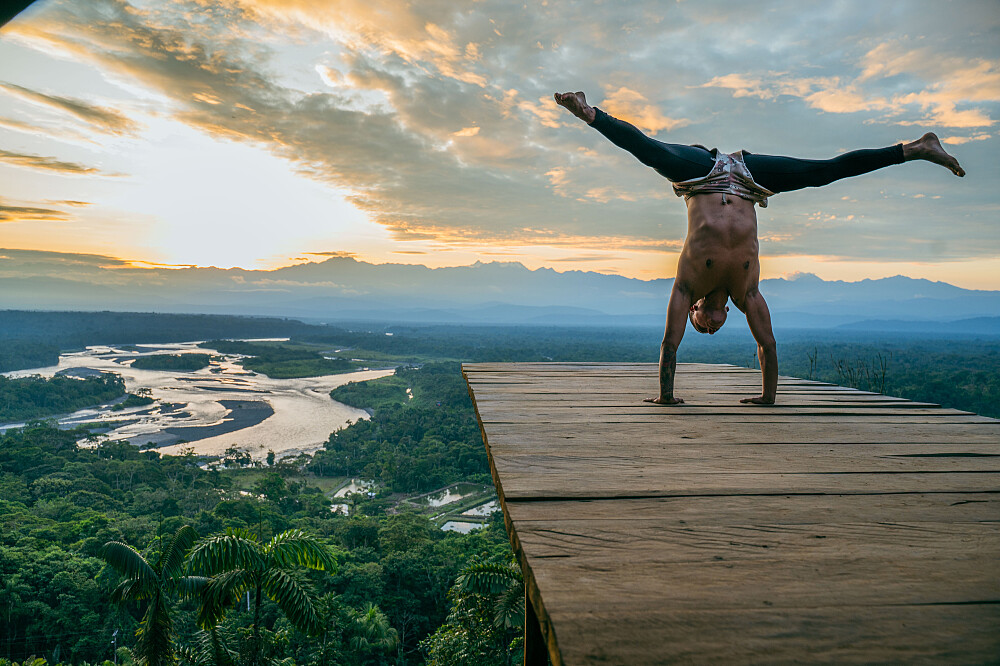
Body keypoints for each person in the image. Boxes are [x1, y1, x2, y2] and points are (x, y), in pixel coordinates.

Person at [553, 91, 965, 405]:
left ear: (694, 309)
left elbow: (669, 345)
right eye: (713, 329)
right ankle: (916, 148)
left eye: (701, 326)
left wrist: (666, 396)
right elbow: (767, 345)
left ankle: (589, 112)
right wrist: (768, 398)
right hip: (750, 178)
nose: (709, 328)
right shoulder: (746, 293)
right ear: (725, 314)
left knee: (649, 151)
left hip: (701, 175)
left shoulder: (686, 284)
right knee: (825, 172)